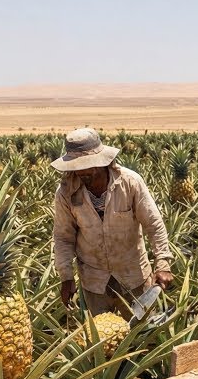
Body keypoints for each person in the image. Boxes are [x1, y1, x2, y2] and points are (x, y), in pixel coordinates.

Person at [52, 127, 174, 317]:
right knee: (102, 339)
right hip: (94, 279)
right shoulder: (66, 192)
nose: (81, 171)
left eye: (86, 164)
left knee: (142, 332)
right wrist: (66, 277)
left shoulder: (130, 182)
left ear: (101, 161)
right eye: (76, 165)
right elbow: (63, 236)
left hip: (133, 274)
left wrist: (163, 263)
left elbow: (153, 223)